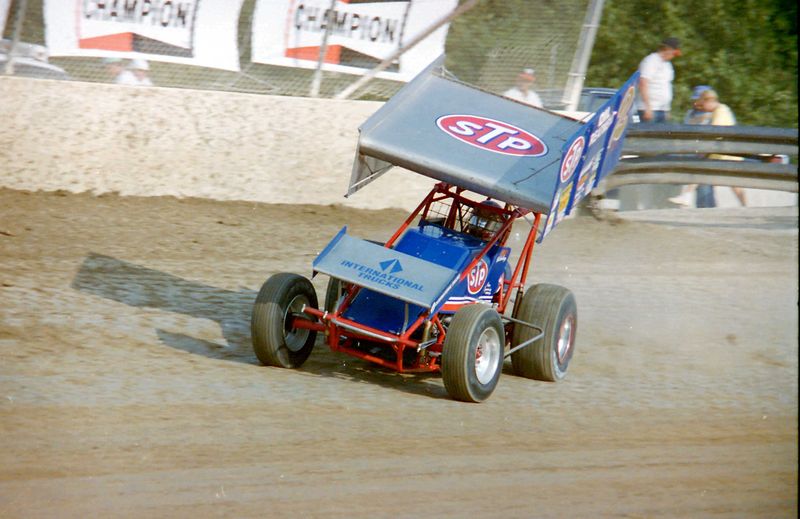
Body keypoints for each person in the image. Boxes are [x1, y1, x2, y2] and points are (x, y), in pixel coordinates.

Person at [670, 88, 747, 207]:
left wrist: (704, 151)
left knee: (703, 169)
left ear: (709, 101)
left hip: (725, 155)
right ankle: (744, 206)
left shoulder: (721, 111)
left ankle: (687, 195)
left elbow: (714, 133)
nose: (703, 108)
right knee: (734, 183)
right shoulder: (720, 110)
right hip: (725, 154)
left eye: (703, 104)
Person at [636, 37, 682, 123]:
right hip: (649, 109)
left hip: (662, 110)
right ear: (668, 49)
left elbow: (666, 86)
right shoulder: (651, 60)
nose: (674, 56)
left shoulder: (668, 65)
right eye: (674, 53)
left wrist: (667, 110)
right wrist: (647, 107)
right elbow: (643, 83)